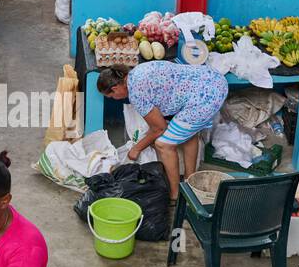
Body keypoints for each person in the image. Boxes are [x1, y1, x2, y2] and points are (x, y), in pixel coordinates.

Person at [97, 61, 229, 201]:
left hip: (204, 98)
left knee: (163, 144)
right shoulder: (137, 71)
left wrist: (136, 148)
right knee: (188, 133)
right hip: (212, 79)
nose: (114, 99)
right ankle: (189, 182)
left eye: (111, 96)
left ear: (116, 88)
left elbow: (159, 128)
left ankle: (175, 194)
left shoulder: (136, 93)